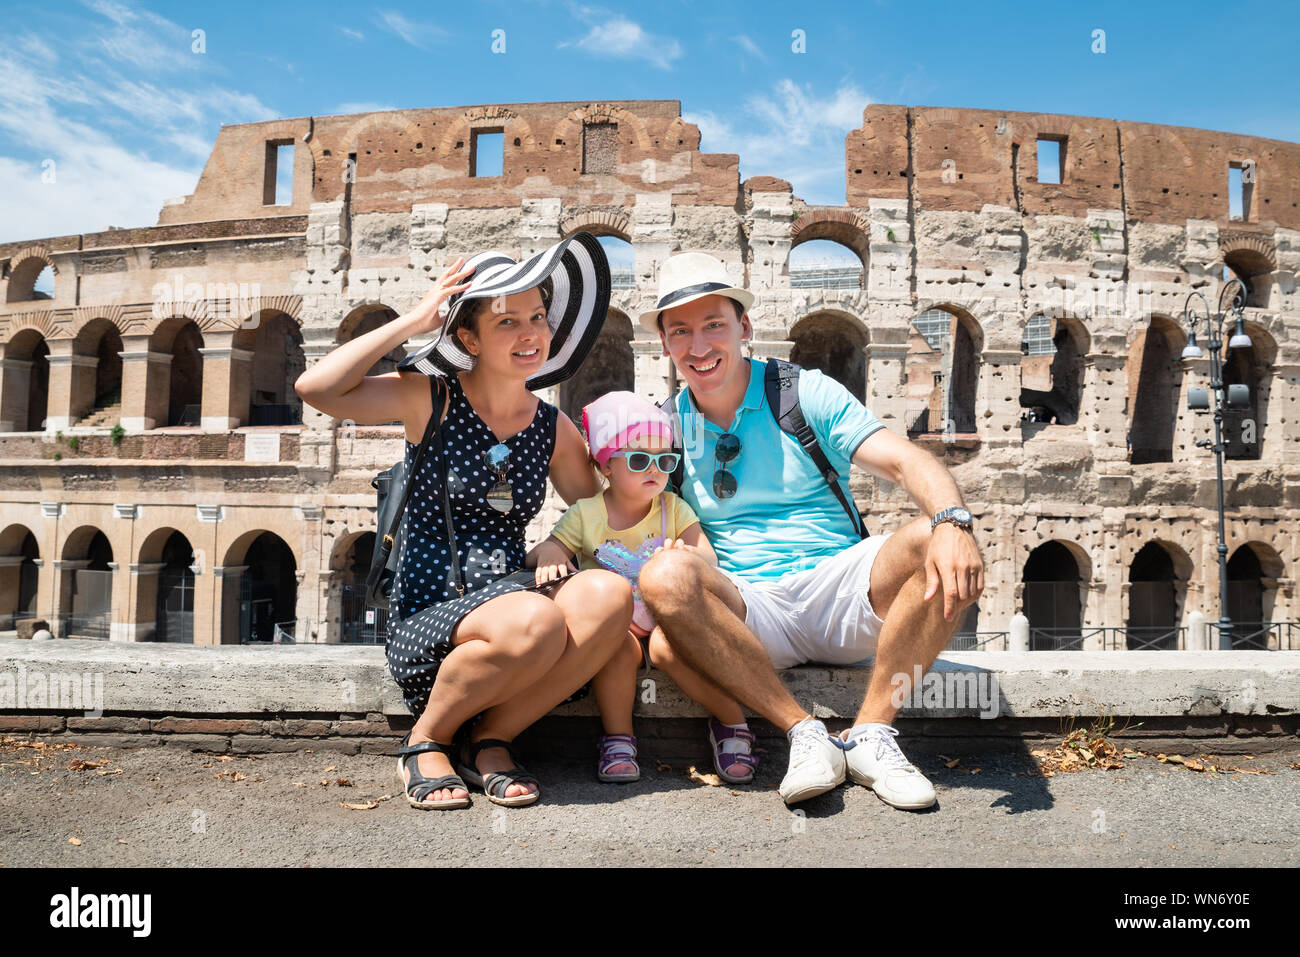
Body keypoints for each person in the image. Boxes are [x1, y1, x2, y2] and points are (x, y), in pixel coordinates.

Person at [294, 232, 634, 810]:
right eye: (506, 322)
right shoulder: (430, 398)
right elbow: (316, 388)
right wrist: (414, 320)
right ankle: (426, 740)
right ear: (467, 336)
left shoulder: (553, 429)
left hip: (513, 607)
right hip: (432, 616)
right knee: (533, 619)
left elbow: (601, 516)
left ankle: (492, 739)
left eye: (537, 316)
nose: (529, 333)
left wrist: (557, 540)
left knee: (606, 593)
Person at [636, 252, 985, 811]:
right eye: (680, 332)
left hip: (840, 588)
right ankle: (804, 733)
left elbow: (902, 460)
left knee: (931, 537)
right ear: (663, 343)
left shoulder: (801, 391)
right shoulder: (665, 425)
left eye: (713, 326)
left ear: (744, 328)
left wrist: (952, 520)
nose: (698, 347)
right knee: (666, 573)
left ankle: (871, 734)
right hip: (751, 610)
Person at [525, 392, 757, 785]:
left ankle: (733, 723)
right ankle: (618, 738)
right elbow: (547, 550)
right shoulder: (586, 514)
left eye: (665, 461)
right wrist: (548, 551)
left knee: (678, 648)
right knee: (614, 649)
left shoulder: (674, 508)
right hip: (622, 626)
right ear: (607, 466)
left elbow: (709, 559)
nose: (655, 469)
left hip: (670, 617)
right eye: (638, 459)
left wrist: (684, 556)